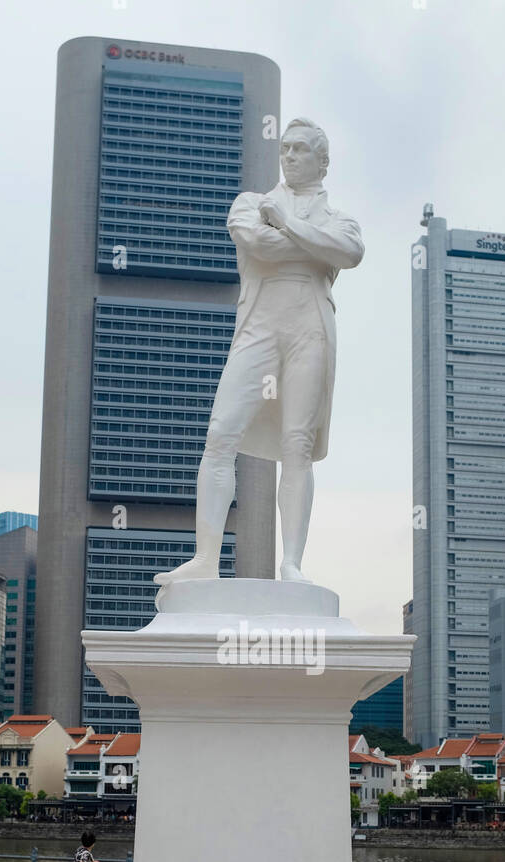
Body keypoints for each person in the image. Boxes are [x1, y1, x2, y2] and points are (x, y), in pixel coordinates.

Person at [153, 117, 363, 590]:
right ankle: (206, 557)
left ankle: (291, 564)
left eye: (301, 149)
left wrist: (287, 223)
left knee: (297, 446)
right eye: (284, 148)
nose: (289, 156)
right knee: (221, 433)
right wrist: (310, 248)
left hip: (311, 328)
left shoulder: (339, 218)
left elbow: (349, 251)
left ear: (323, 162)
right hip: (259, 328)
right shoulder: (250, 203)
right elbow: (257, 244)